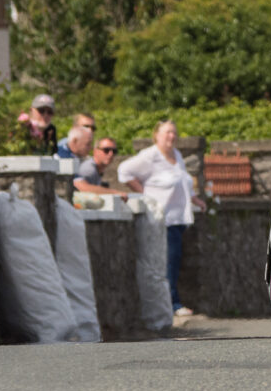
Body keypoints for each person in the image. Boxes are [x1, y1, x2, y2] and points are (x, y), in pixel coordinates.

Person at [119, 119, 207, 318]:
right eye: (167, 132)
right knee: (166, 262)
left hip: (177, 219)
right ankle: (172, 304)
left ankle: (170, 303)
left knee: (173, 261)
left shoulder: (176, 155)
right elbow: (124, 171)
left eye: (174, 133)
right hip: (162, 219)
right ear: (156, 135)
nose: (172, 136)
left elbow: (183, 183)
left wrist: (195, 200)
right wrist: (145, 193)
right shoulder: (150, 156)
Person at [72, 131, 130, 201]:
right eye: (106, 150)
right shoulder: (89, 169)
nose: (110, 154)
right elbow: (80, 186)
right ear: (95, 151)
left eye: (114, 151)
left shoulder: (97, 169)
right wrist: (115, 193)